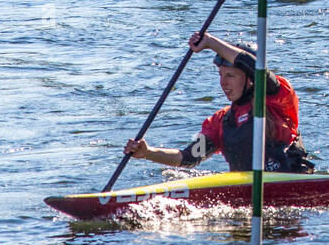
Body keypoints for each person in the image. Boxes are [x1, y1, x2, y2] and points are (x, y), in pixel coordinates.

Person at [124, 32, 313, 173]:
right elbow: (187, 157)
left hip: (290, 183)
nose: (223, 82)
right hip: (248, 193)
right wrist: (148, 153)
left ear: (250, 79)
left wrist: (210, 42)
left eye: (230, 75)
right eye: (220, 75)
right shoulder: (222, 121)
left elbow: (257, 69)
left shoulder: (277, 100)